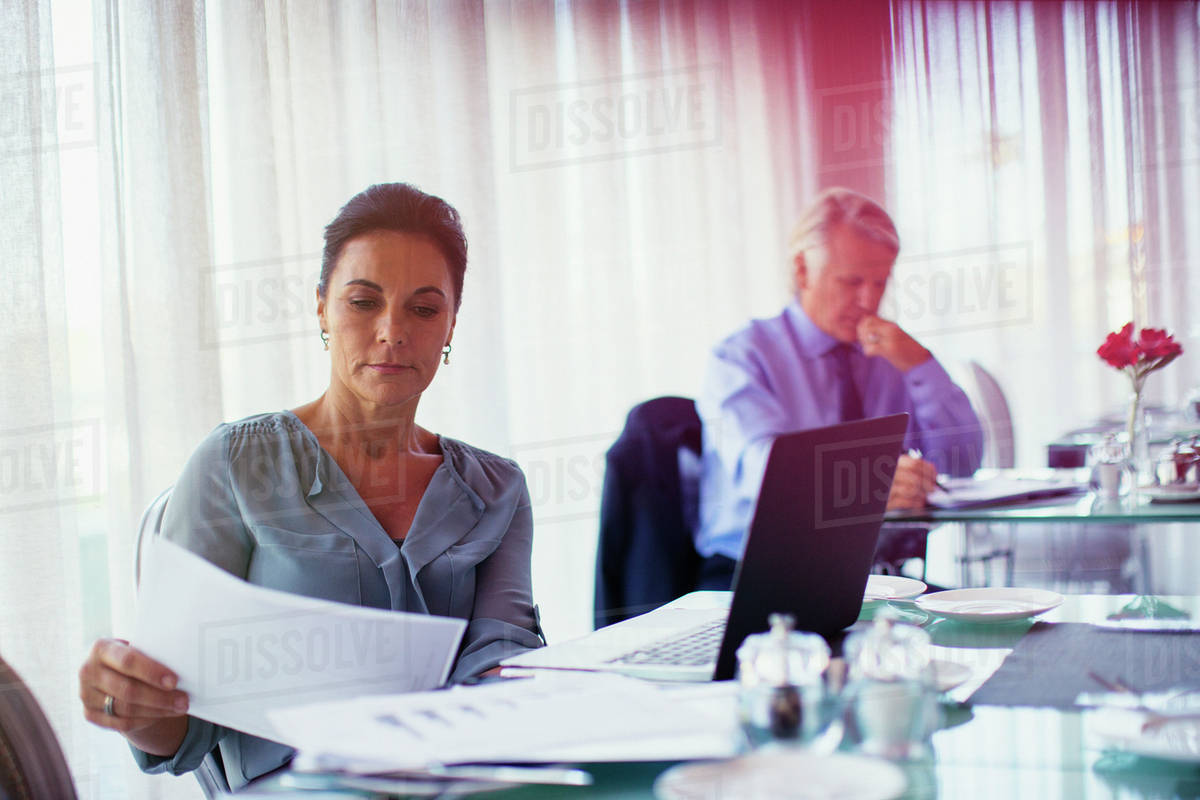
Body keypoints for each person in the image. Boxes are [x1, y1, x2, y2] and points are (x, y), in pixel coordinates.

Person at [77, 183, 544, 789]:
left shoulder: (497, 488)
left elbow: (504, 661)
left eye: (424, 309)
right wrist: (131, 705)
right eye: (363, 302)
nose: (392, 331)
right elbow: (182, 732)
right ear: (321, 308)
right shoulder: (232, 466)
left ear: (452, 324)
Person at [695, 187, 983, 586]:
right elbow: (765, 473)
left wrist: (922, 366)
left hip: (875, 580)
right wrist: (864, 485)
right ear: (802, 269)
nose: (869, 301)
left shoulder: (891, 356)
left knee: (1000, 629)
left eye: (881, 283)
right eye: (850, 282)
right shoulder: (740, 357)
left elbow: (962, 467)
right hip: (761, 578)